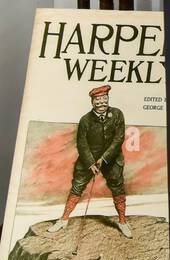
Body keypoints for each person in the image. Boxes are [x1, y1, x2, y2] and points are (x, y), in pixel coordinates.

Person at [48, 85, 131, 239]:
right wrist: (90, 163)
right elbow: (82, 144)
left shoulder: (118, 114)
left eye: (104, 99)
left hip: (112, 159)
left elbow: (118, 139)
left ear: (108, 99)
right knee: (77, 186)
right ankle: (63, 219)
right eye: (98, 100)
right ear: (92, 102)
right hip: (88, 161)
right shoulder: (85, 120)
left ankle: (122, 221)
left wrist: (104, 158)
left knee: (118, 187)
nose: (101, 103)